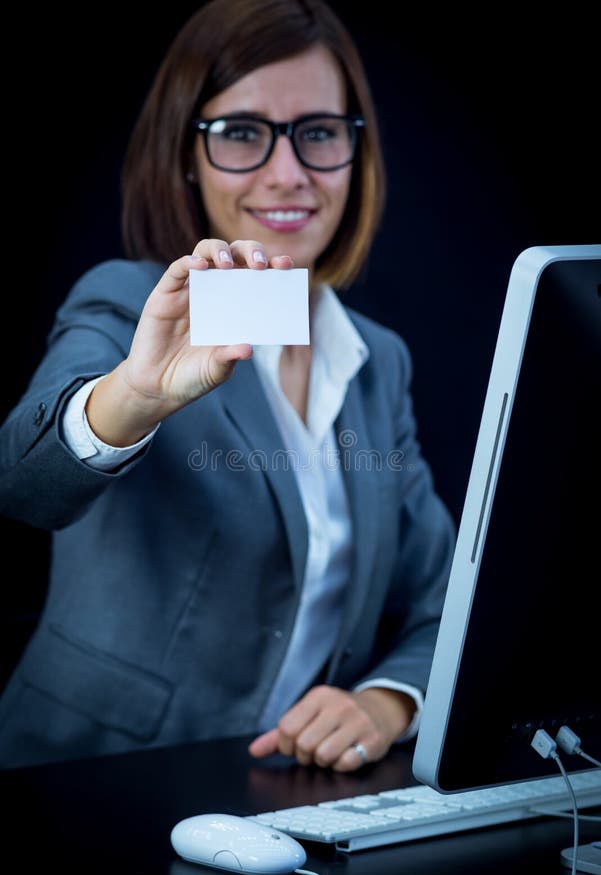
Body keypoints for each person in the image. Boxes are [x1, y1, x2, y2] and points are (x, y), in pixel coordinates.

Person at [0, 0, 455, 771]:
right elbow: (22, 484)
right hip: (88, 781)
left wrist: (383, 703)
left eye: (317, 133)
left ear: (356, 152)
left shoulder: (376, 361)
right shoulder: (127, 300)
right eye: (242, 133)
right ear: (186, 154)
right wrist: (132, 398)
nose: (288, 174)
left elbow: (444, 605)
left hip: (277, 803)